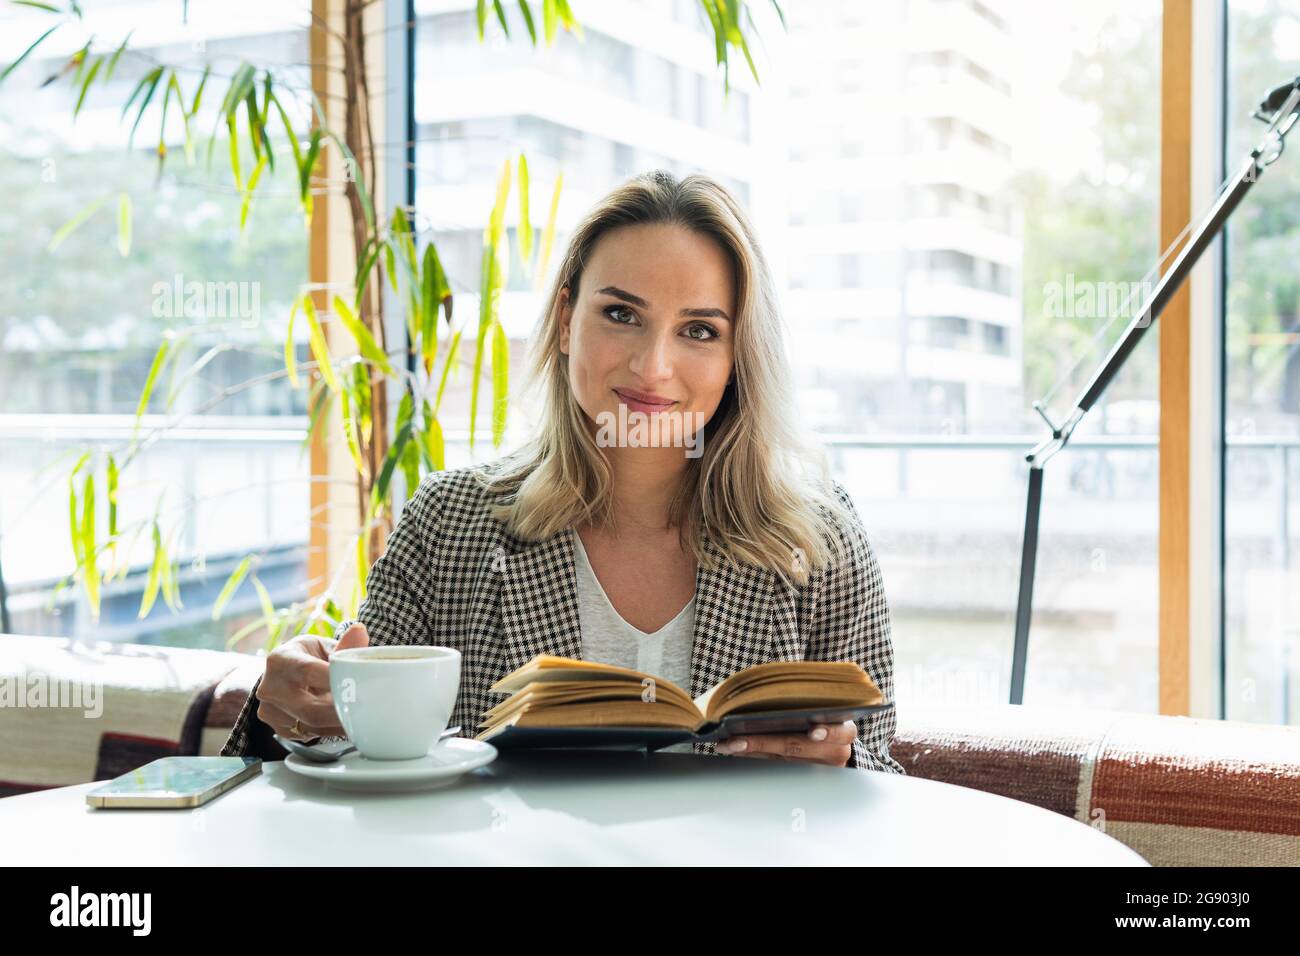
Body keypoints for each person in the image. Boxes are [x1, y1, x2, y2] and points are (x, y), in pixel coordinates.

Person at [221, 169, 904, 773]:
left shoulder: (816, 538)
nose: (652, 367)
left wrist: (841, 763)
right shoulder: (449, 525)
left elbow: (883, 783)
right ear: (566, 316)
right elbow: (342, 747)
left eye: (698, 330)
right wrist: (289, 712)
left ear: (738, 356)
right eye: (621, 314)